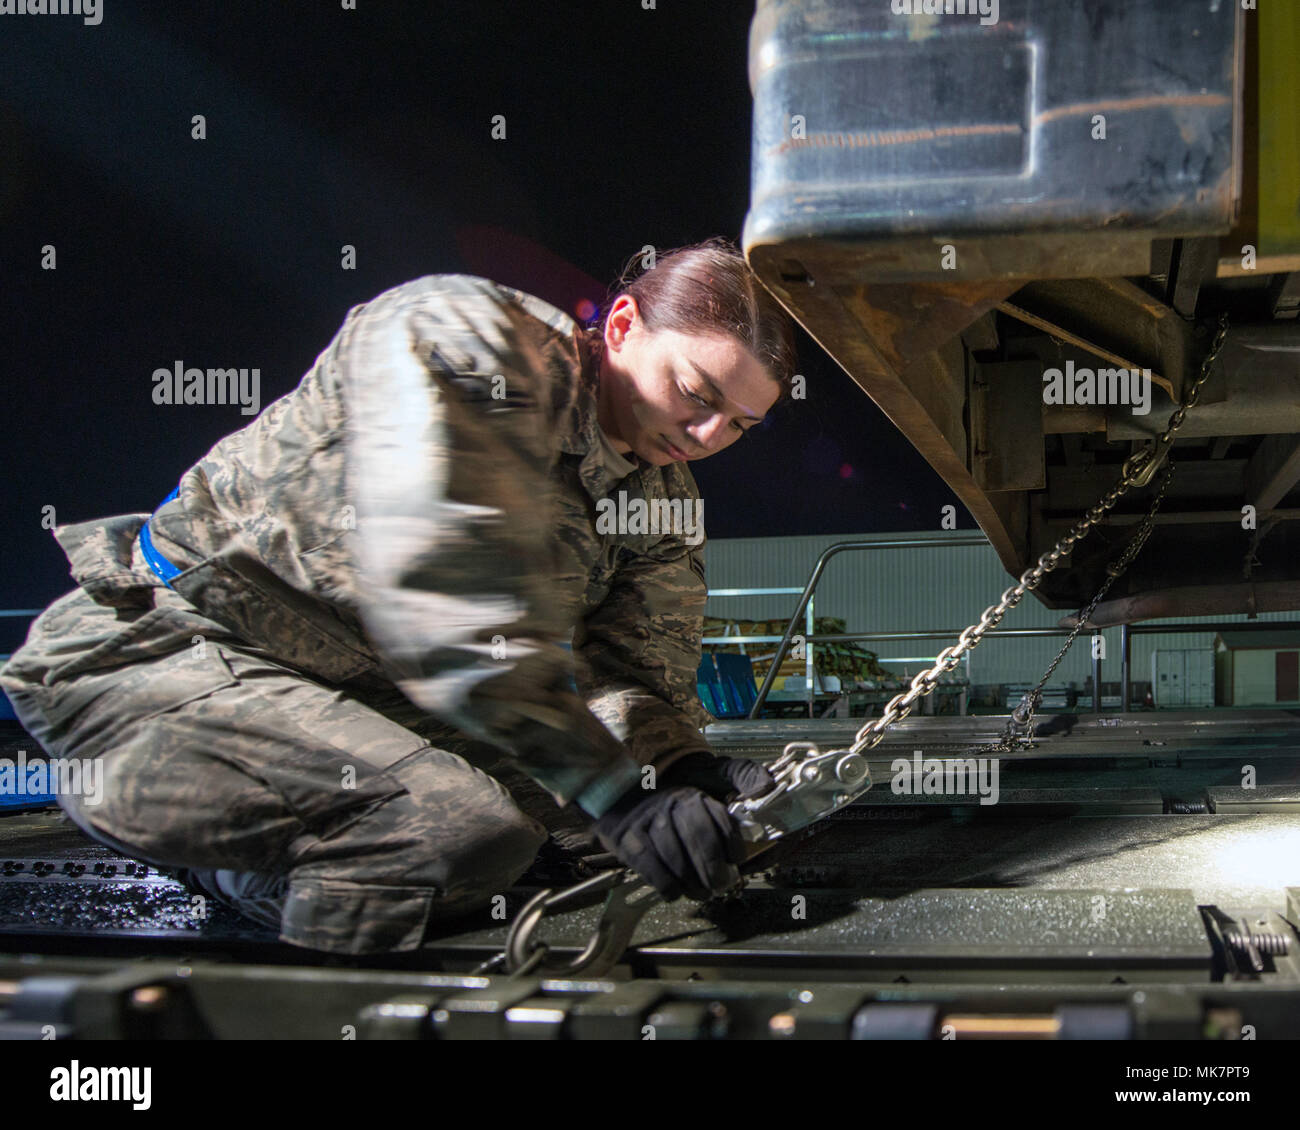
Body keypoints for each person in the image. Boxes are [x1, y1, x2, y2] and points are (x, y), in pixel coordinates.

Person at [0, 237, 797, 955]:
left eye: (739, 424)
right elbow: (447, 615)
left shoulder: (660, 493)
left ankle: (280, 819)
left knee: (586, 832)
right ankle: (190, 838)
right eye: (696, 393)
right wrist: (620, 794)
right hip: (177, 652)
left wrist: (685, 771)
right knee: (457, 837)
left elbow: (626, 674)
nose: (707, 437)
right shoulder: (466, 342)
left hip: (364, 702)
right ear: (623, 325)